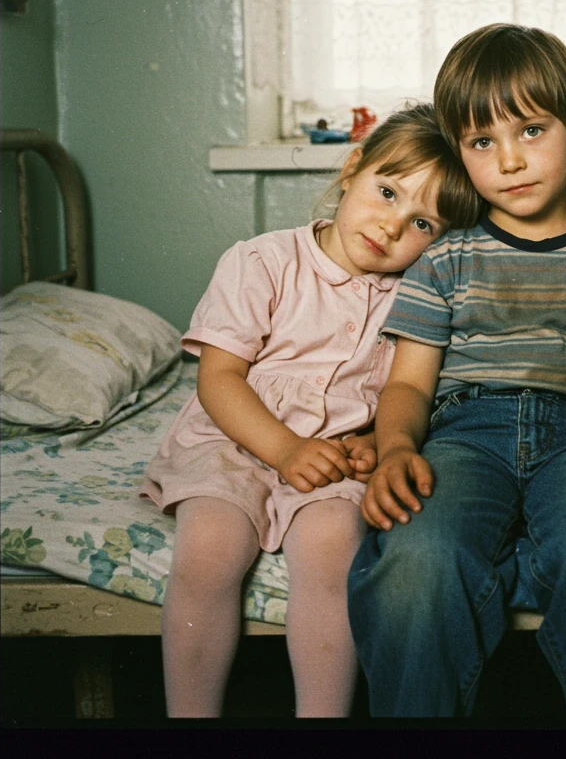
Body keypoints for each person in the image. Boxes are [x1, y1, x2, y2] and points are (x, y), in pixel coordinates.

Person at [347, 24, 566, 718]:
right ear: (460, 153)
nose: (509, 160)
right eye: (482, 142)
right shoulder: (443, 256)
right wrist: (393, 451)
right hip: (465, 435)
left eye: (531, 130)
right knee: (417, 560)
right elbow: (409, 384)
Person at [139, 103, 482, 718]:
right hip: (235, 437)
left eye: (423, 223)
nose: (391, 225)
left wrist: (376, 440)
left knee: (334, 545)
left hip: (336, 453)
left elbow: (410, 393)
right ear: (352, 170)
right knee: (209, 549)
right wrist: (285, 451)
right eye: (386, 191)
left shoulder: (420, 300)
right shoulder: (263, 262)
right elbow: (219, 380)